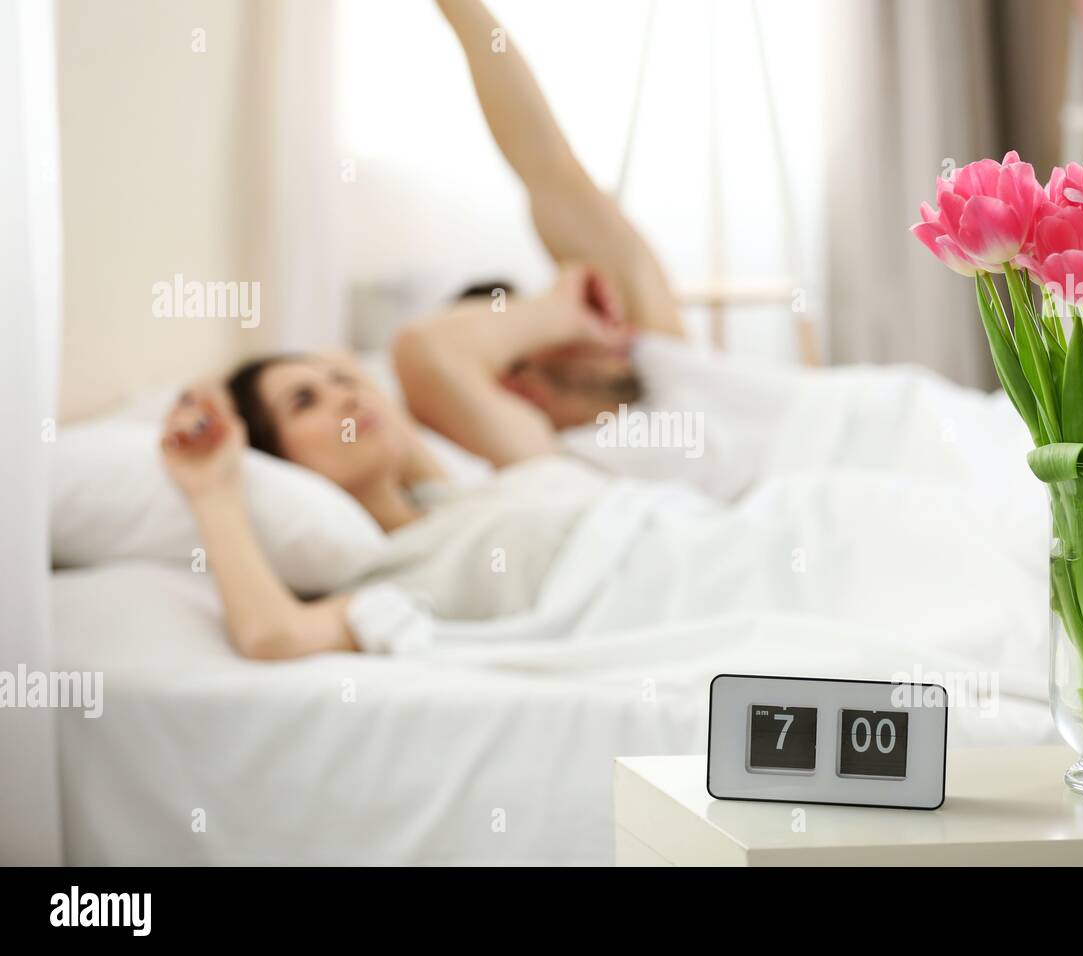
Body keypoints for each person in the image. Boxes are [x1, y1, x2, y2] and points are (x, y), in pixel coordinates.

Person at [161, 0, 698, 658]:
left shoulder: (466, 497)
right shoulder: (395, 576)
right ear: (283, 465)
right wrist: (214, 486)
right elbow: (273, 633)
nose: (348, 396)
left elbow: (394, 382)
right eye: (306, 402)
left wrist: (338, 382)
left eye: (341, 382)